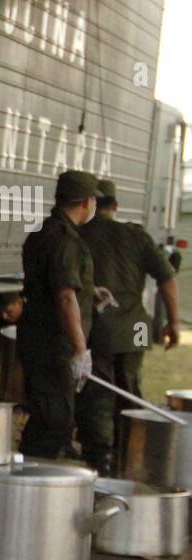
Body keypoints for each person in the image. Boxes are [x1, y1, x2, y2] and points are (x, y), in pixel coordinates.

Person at [74, 178, 180, 473]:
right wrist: (173, 322)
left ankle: (101, 457)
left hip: (101, 326)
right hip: (138, 326)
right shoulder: (137, 236)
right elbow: (167, 278)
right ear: (116, 206)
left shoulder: (80, 235)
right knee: (131, 387)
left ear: (93, 202)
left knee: (99, 394)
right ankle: (132, 452)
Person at [17, 170, 104, 459]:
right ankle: (28, 478)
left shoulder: (44, 231)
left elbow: (55, 284)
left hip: (38, 337)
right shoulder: (65, 240)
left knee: (50, 414)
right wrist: (80, 349)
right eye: (94, 201)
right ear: (87, 202)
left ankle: (34, 472)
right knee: (53, 418)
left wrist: (90, 292)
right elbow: (65, 296)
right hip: (53, 343)